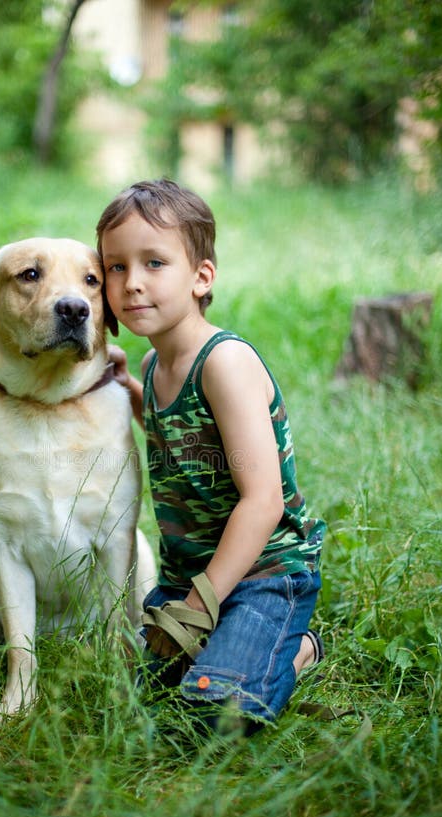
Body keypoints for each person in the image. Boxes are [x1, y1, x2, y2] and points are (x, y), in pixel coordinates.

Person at [96, 179, 325, 733]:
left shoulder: (223, 363)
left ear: (201, 277)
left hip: (262, 574)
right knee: (130, 693)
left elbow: (263, 500)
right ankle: (237, 651)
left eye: (154, 263)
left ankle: (297, 648)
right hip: (186, 576)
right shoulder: (153, 368)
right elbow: (185, 442)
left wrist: (203, 604)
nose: (131, 284)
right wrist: (130, 393)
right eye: (116, 267)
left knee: (218, 712)